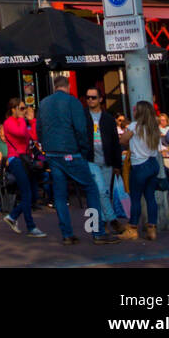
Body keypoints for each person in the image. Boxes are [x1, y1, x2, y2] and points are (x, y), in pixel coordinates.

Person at [36, 76, 118, 245]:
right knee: (91, 188)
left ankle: (67, 234)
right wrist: (83, 149)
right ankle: (97, 231)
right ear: (68, 86)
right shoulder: (73, 102)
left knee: (60, 194)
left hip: (52, 153)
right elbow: (80, 129)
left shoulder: (44, 103)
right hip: (70, 151)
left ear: (54, 86)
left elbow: (39, 129)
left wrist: (46, 145)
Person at [118, 100, 163, 240]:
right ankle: (152, 228)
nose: (133, 111)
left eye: (135, 109)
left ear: (140, 112)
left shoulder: (134, 125)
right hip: (153, 163)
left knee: (136, 198)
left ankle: (132, 228)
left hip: (139, 165)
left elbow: (123, 140)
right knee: (150, 197)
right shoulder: (154, 127)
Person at [85, 88, 127, 234]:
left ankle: (99, 225)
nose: (90, 100)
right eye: (88, 97)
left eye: (93, 97)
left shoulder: (108, 119)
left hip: (107, 160)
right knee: (100, 191)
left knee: (104, 192)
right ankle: (112, 221)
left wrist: (117, 164)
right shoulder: (83, 117)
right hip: (90, 160)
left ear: (100, 99)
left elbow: (115, 142)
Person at [1, 99, 43, 237]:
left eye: (25, 108)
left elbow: (34, 137)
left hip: (26, 159)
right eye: (22, 108)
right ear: (13, 109)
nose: (24, 111)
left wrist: (31, 121)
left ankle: (12, 216)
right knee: (26, 193)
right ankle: (31, 227)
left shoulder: (22, 122)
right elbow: (20, 133)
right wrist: (22, 120)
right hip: (16, 159)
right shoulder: (9, 123)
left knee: (32, 195)